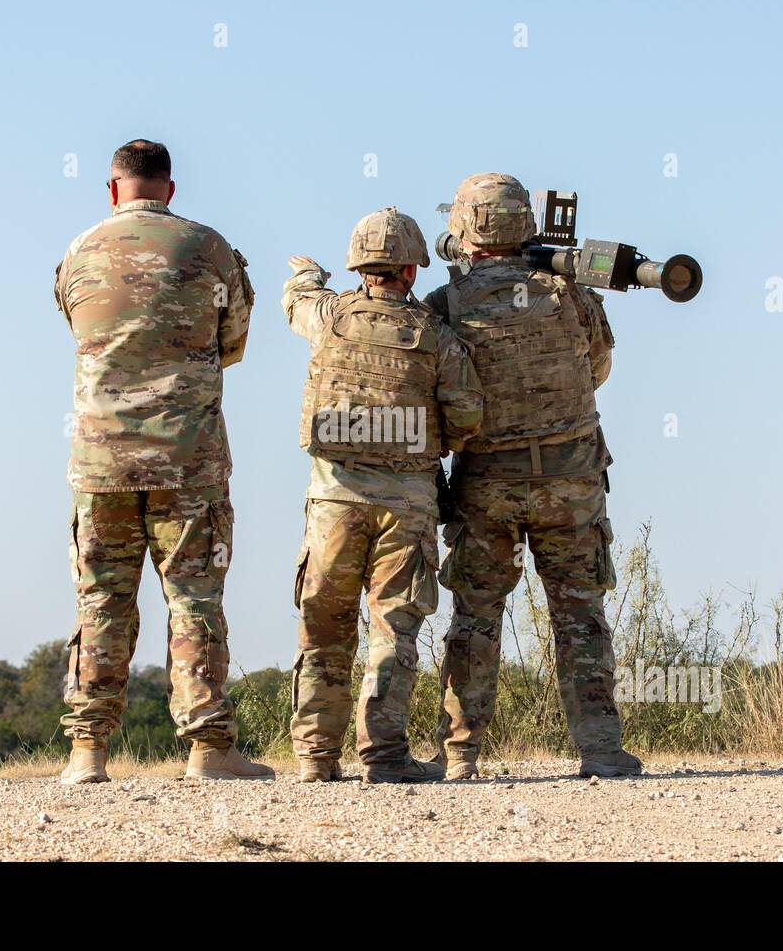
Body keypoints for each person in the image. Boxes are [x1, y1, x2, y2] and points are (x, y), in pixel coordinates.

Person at [53, 139, 271, 783]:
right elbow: (233, 344)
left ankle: (86, 751)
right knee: (195, 598)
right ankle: (208, 750)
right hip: (188, 459)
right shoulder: (212, 250)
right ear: (170, 189)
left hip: (100, 460)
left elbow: (81, 332)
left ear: (113, 188)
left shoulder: (78, 251)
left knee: (101, 600)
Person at [424, 173, 642, 780]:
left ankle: (462, 752)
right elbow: (596, 367)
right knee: (580, 616)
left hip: (485, 484)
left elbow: (436, 389)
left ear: (465, 227)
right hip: (570, 482)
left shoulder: (446, 305)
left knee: (475, 618)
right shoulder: (570, 294)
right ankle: (600, 749)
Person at [283, 207, 484, 783]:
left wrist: (306, 275)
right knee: (393, 628)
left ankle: (316, 757)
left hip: (334, 499)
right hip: (408, 502)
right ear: (412, 270)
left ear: (359, 264)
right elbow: (467, 413)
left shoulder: (330, 316)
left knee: (323, 624)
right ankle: (385, 756)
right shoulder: (436, 336)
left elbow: (297, 301)